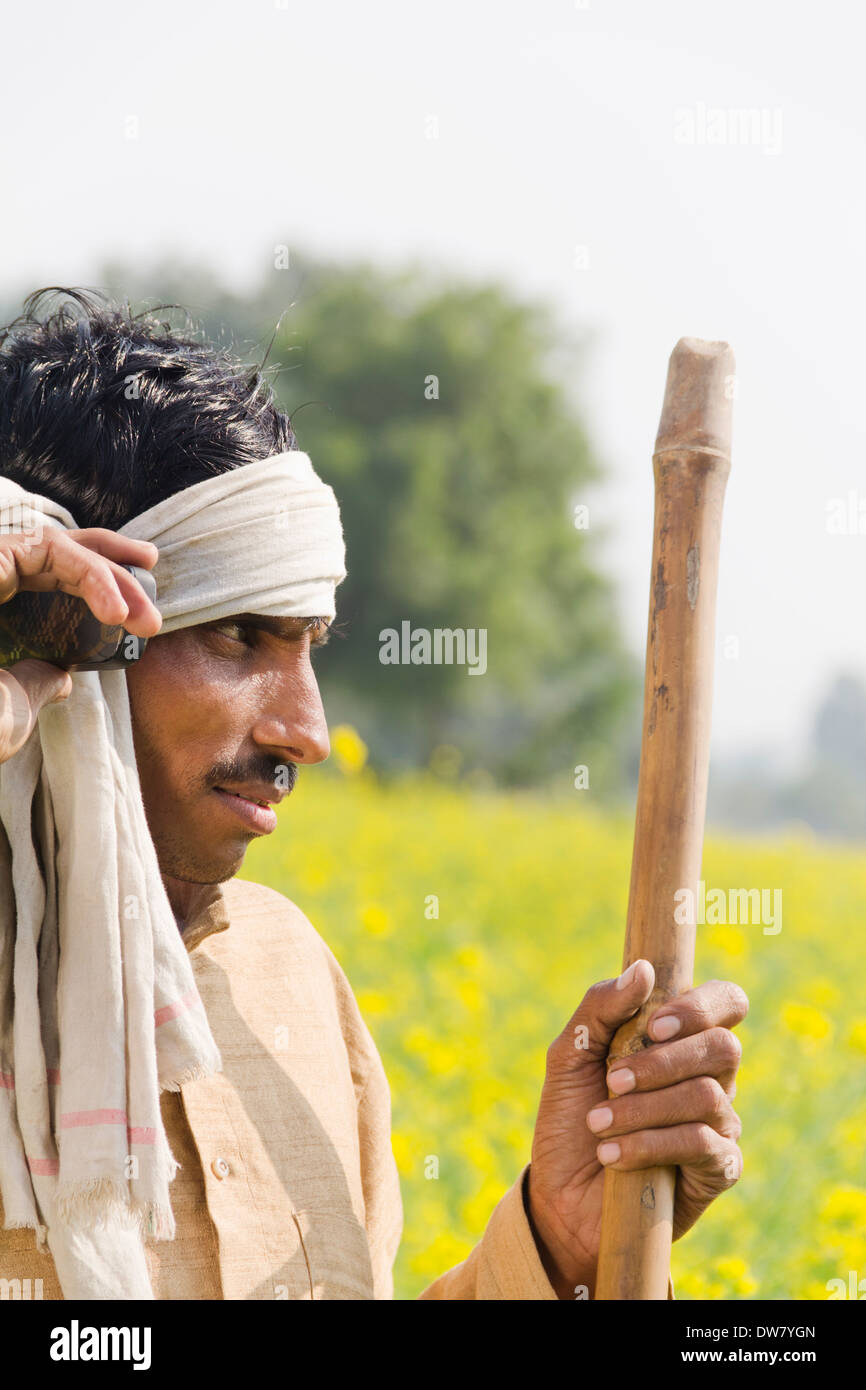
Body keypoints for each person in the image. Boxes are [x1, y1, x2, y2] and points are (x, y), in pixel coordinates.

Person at [0, 288, 747, 1300]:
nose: (303, 731)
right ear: (63, 636)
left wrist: (555, 1239)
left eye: (308, 644)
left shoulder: (289, 979)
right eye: (237, 636)